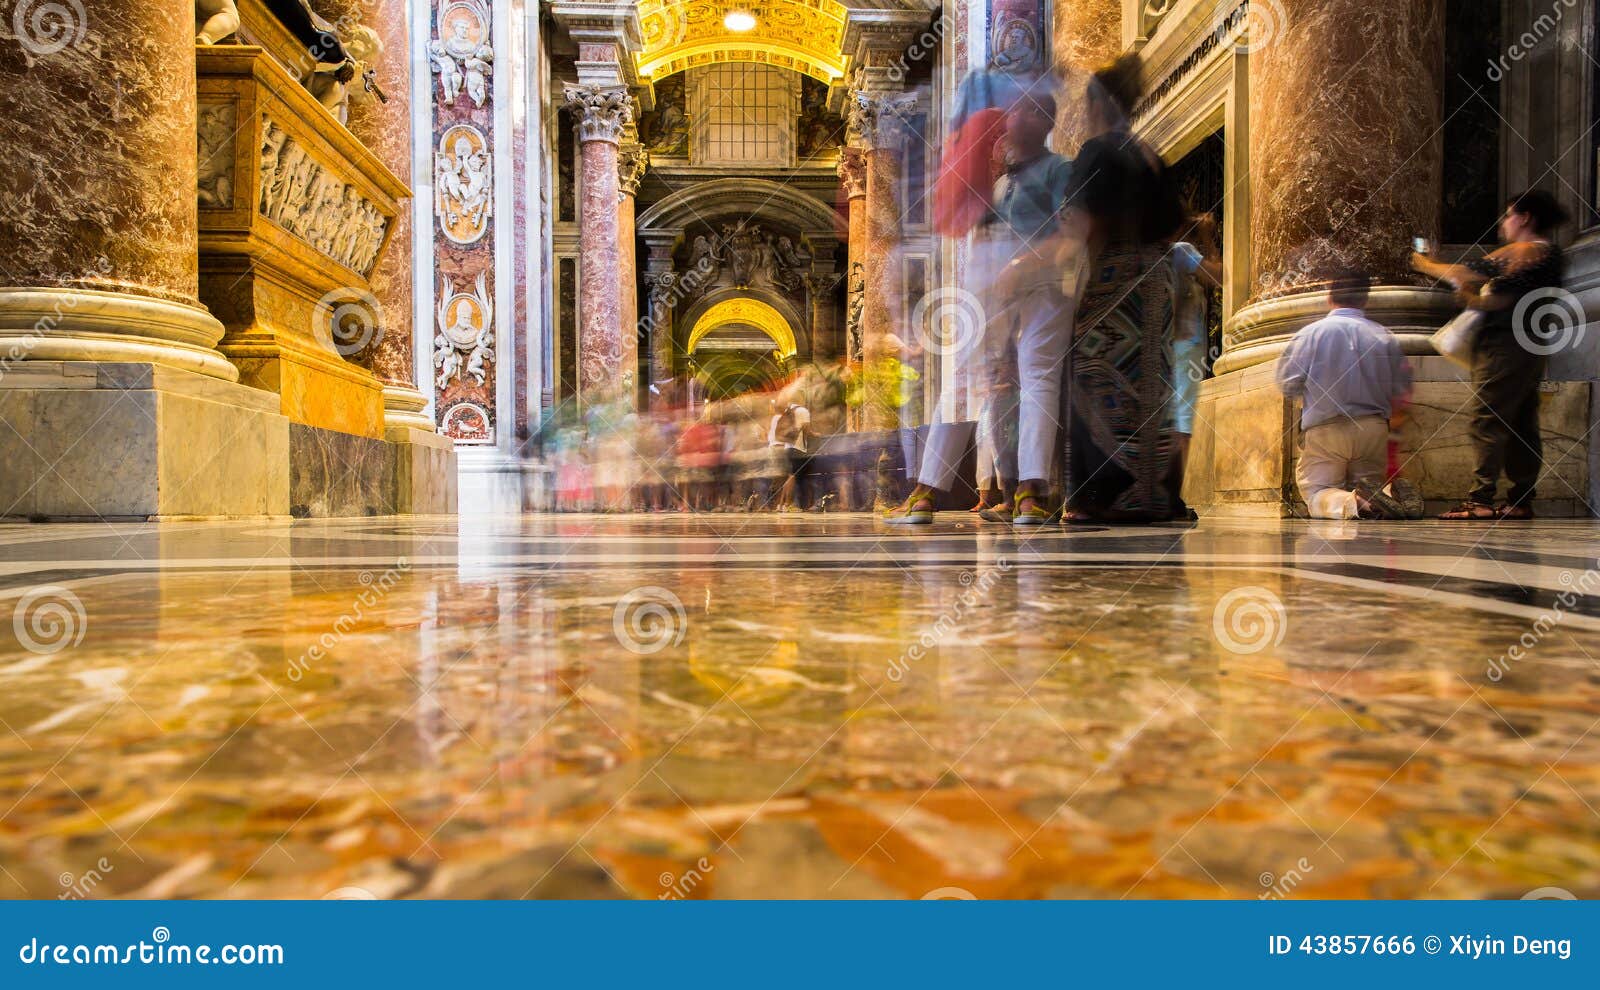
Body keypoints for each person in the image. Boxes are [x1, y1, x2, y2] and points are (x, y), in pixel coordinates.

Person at [884, 78, 1075, 526]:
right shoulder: (1003, 182)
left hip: (1041, 281)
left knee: (1038, 376)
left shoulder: (1058, 170)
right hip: (993, 281)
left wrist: (1023, 265)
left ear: (1046, 121)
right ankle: (927, 491)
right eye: (1015, 111)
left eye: (1029, 111)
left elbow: (1068, 230)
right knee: (963, 377)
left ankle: (1030, 492)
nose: (1016, 119)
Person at [1059, 55, 1185, 523]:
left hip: (1113, 279)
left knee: (1092, 374)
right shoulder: (1151, 156)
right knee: (1152, 384)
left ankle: (1099, 494)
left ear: (1096, 104)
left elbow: (1078, 222)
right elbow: (1176, 224)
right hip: (1155, 282)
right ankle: (1153, 492)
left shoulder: (1097, 152)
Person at [1411, 190, 1568, 520]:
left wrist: (1424, 262)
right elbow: (1496, 301)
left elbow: (1464, 273)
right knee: (1522, 423)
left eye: (1509, 214)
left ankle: (1480, 499)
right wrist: (1473, 298)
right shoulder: (1548, 257)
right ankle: (1519, 499)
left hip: (1504, 347)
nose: (1504, 222)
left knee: (1488, 419)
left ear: (1525, 218)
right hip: (1530, 345)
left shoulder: (1526, 250)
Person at [1276, 274, 1414, 520]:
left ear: (1330, 296)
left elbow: (1287, 384)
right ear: (1364, 300)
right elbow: (1400, 387)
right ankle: (1388, 494)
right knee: (1369, 482)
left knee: (1317, 491)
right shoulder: (1383, 335)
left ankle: (1357, 502)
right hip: (1373, 428)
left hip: (1326, 428)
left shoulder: (1311, 334)